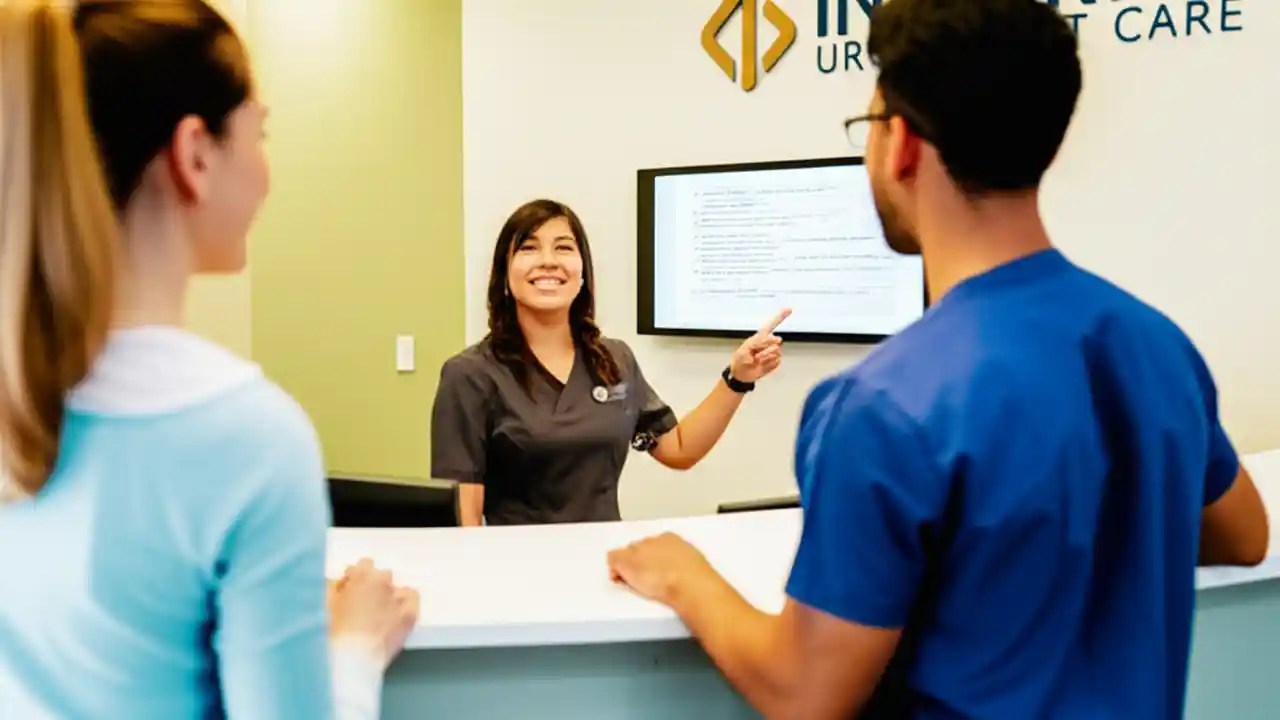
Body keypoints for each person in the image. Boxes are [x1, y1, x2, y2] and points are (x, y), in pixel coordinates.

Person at [606, 1, 1270, 718]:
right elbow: (1243, 535)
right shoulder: (1155, 345)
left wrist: (687, 577)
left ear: (902, 146)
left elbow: (803, 693)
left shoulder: (885, 402)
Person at [0, 2, 418, 718]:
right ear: (195, 155)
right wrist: (353, 648)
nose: (266, 172)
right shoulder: (250, 441)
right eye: (260, 134)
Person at [432, 199, 789, 525]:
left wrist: (737, 378)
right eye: (528, 247)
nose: (548, 261)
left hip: (605, 561)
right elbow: (464, 517)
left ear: (582, 272)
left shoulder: (613, 360)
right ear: (505, 275)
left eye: (564, 248)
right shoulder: (470, 375)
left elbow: (678, 449)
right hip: (518, 568)